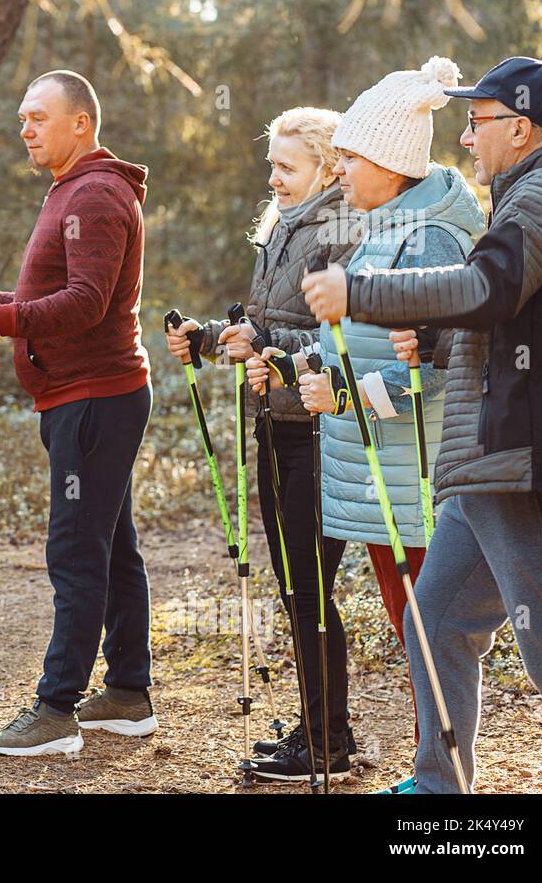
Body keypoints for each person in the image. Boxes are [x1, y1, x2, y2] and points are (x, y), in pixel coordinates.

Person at [301, 56, 542, 793]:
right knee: (438, 624)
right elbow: (512, 318)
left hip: (522, 457)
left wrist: (361, 292)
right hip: (485, 459)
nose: (464, 139)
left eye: (477, 122)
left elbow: (487, 286)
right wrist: (435, 341)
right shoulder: (522, 194)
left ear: (519, 128)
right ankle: (438, 786)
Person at [252, 57, 485, 783]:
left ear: (388, 161)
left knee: (430, 630)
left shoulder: (431, 239)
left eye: (350, 157)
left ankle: (441, 778)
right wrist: (303, 372)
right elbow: (356, 345)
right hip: (378, 467)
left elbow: (441, 367)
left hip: (417, 470)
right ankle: (433, 770)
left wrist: (349, 396)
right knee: (414, 627)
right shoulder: (387, 228)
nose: (342, 170)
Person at [0, 70, 152, 756]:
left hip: (95, 398)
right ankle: (126, 694)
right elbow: (56, 294)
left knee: (75, 551)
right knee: (112, 546)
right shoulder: (72, 190)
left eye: (37, 117)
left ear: (81, 123)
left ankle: (55, 712)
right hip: (84, 396)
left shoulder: (94, 192)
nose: (24, 129)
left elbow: (87, 303)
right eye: (22, 119)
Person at [166, 107, 363, 782]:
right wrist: (206, 339)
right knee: (299, 589)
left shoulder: (342, 226)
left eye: (286, 167)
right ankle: (323, 727)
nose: (273, 178)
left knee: (308, 588)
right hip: (274, 425)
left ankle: (328, 744)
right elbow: (258, 325)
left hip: (319, 431)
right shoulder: (283, 225)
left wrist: (270, 347)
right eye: (271, 166)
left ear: (327, 165)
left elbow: (347, 334)